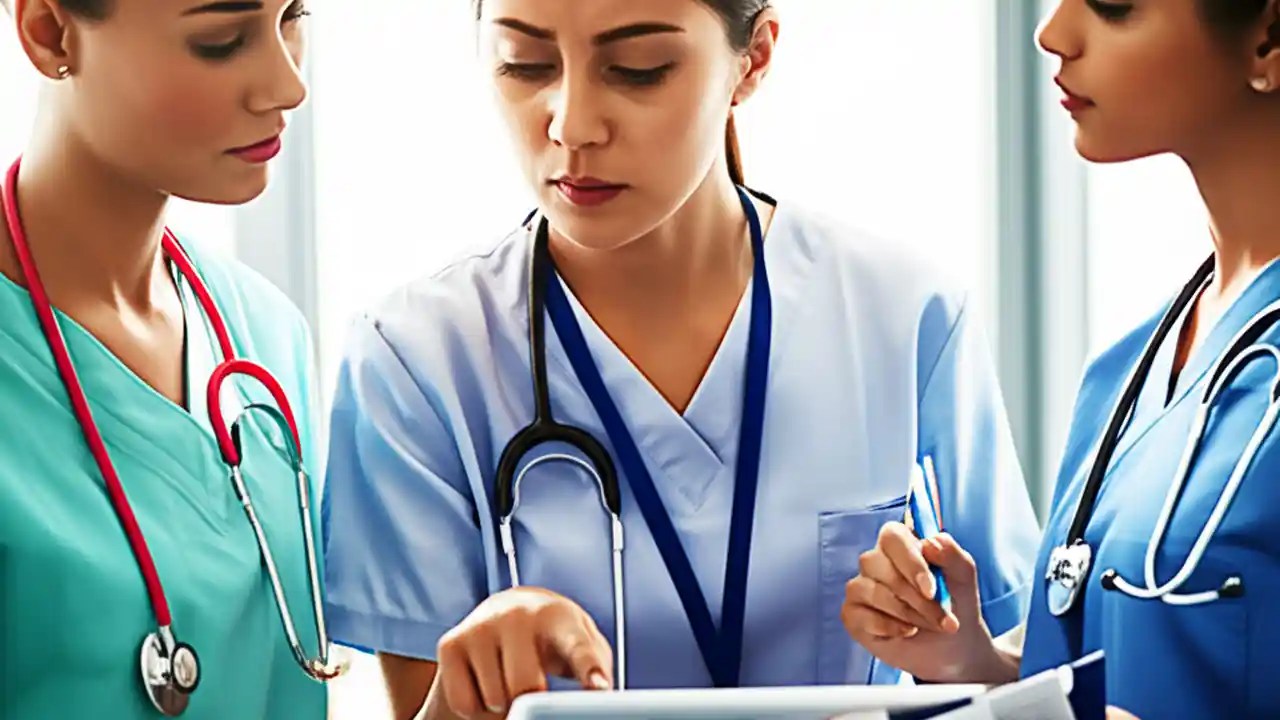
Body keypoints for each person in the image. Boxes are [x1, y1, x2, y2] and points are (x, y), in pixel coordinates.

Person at [320, 1, 1040, 718]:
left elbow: (1021, 681)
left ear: (752, 58)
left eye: (638, 70)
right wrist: (472, 678)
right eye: (525, 64)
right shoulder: (414, 359)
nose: (571, 125)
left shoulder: (905, 317)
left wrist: (959, 657)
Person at [843, 0, 1280, 717]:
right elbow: (1097, 672)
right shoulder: (1125, 373)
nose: (1054, 34)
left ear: (1269, 35)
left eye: (1112, 6)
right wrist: (971, 660)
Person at [0, 0, 340, 717]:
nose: (287, 86)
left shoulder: (268, 337)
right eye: (221, 41)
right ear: (49, 31)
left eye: (294, 17)